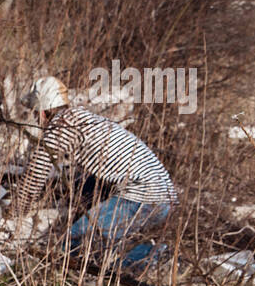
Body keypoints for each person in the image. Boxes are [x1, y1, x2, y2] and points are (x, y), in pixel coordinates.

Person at [11, 77, 177, 269]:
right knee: (85, 195)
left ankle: (157, 258)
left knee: (73, 245)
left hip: (143, 196)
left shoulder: (61, 126)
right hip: (160, 195)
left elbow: (35, 174)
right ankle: (145, 254)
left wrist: (15, 214)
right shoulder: (82, 118)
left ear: (41, 111)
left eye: (34, 113)